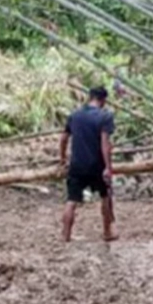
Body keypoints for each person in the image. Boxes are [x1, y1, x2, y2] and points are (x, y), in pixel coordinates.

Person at [60, 86, 116, 242]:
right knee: (105, 197)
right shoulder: (105, 117)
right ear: (103, 100)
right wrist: (108, 168)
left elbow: (63, 139)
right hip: (97, 165)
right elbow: (105, 144)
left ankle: (65, 235)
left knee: (71, 200)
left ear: (90, 97)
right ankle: (107, 232)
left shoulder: (75, 115)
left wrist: (62, 159)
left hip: (77, 164)